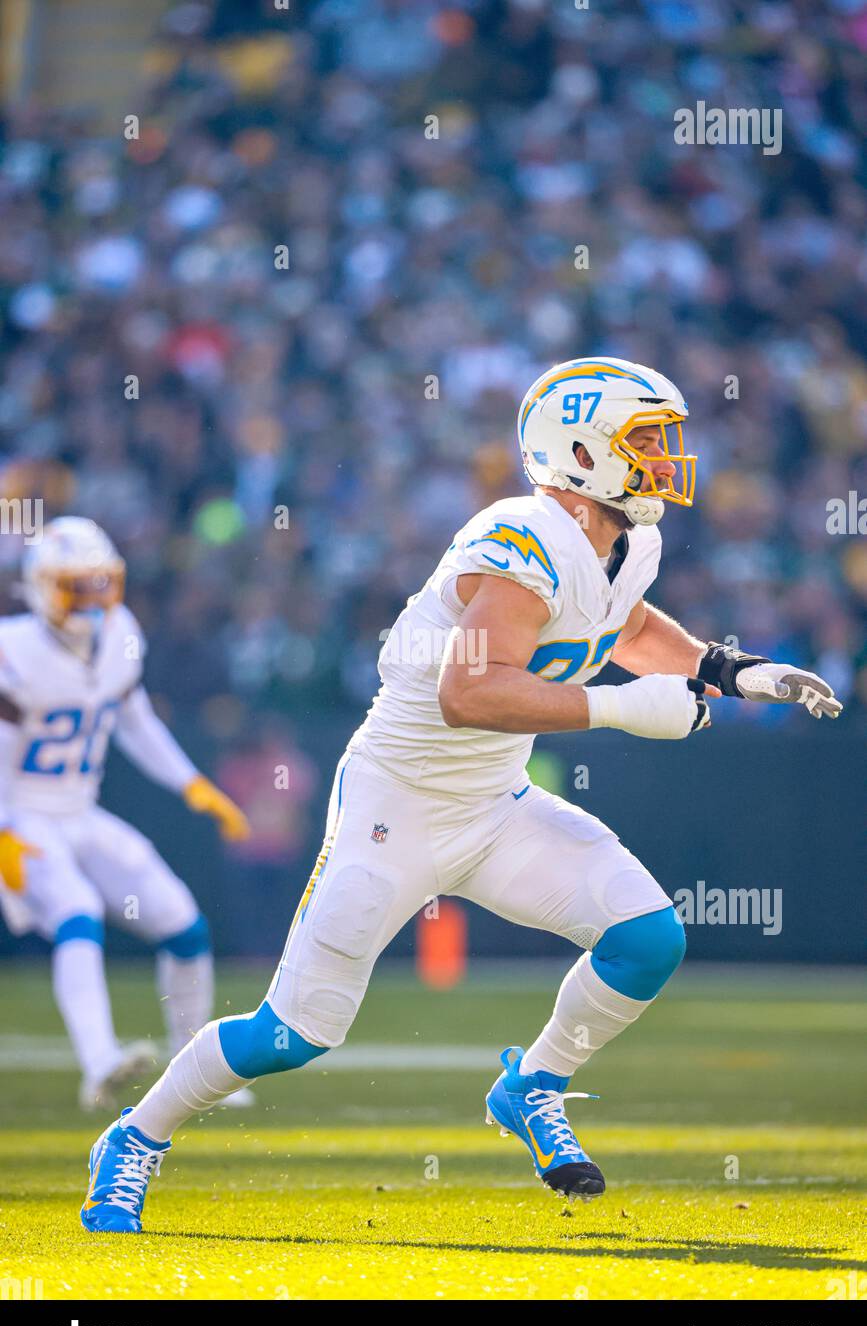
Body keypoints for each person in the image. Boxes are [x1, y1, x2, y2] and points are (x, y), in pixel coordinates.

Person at [78, 359, 841, 1232]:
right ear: (583, 451)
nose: (666, 457)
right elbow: (469, 694)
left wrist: (730, 670)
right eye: (645, 439)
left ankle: (532, 1085)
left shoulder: (624, 538)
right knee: (290, 1035)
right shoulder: (520, 536)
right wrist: (623, 708)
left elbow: (621, 624)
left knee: (646, 936)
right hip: (394, 811)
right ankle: (134, 1139)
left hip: (492, 805)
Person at [0, 517, 254, 1110]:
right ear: (41, 587)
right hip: (21, 815)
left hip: (79, 810)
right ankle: (99, 1064)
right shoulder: (15, 649)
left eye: (99, 584)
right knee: (77, 911)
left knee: (183, 922)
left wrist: (191, 782)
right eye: (75, 587)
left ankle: (197, 1071)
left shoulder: (119, 636)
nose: (92, 601)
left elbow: (134, 720)